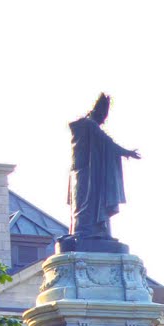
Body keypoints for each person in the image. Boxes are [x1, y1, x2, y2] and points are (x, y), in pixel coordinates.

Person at [67, 93, 140, 241]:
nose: (103, 121)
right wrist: (128, 153)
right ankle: (93, 232)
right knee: (91, 204)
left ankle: (89, 231)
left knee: (83, 205)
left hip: (80, 174)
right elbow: (108, 143)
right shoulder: (90, 125)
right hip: (90, 174)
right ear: (99, 112)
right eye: (103, 116)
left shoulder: (82, 126)